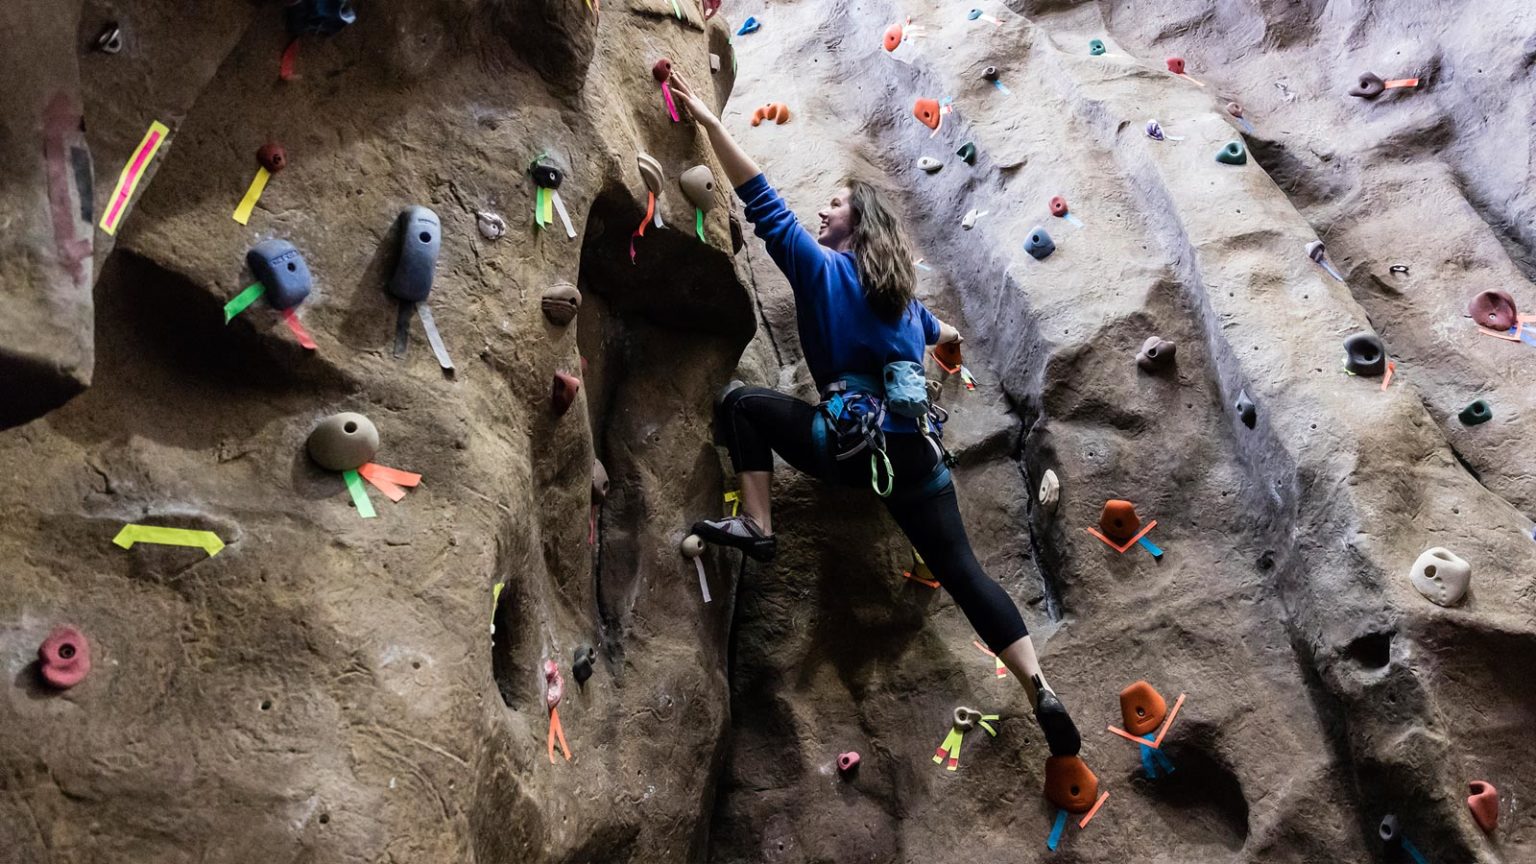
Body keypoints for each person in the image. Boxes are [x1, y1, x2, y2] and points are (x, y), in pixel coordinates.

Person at [670, 73, 1080, 757]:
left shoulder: (822, 271)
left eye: (834, 205)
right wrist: (949, 352)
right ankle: (1038, 685)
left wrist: (711, 127)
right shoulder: (903, 304)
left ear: (857, 223)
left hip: (848, 447)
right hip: (917, 454)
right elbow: (947, 334)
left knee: (742, 405)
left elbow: (760, 199)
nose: (821, 211)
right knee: (965, 573)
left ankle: (758, 524)